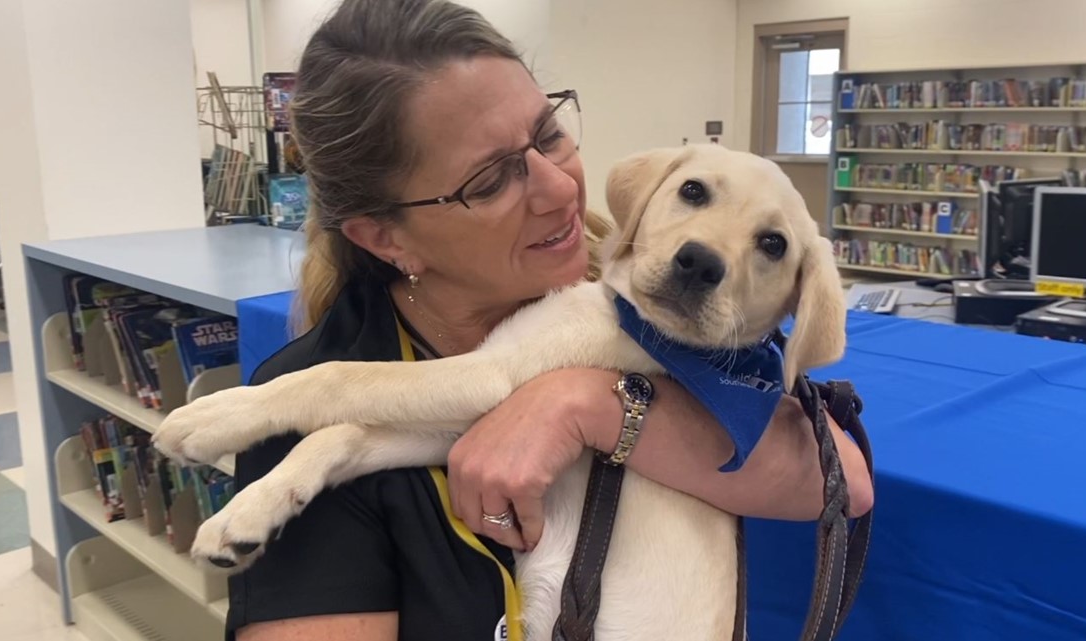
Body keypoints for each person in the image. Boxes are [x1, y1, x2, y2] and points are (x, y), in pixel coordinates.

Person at [226, 0, 874, 639]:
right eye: (488, 180)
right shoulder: (300, 415)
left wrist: (587, 402)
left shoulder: (633, 304)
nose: (562, 189)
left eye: (547, 134)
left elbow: (842, 478)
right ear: (387, 237)